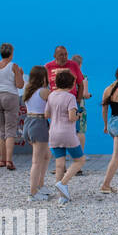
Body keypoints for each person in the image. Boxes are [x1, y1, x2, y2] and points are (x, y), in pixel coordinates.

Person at [47, 70, 86, 203]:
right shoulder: (70, 98)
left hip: (53, 133)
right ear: (71, 85)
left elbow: (47, 114)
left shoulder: (51, 95)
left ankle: (62, 197)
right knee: (80, 160)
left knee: (59, 164)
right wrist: (78, 115)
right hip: (67, 133)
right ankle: (63, 183)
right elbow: (71, 117)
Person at [45, 47, 86, 170]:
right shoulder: (48, 67)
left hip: (71, 101)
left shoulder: (73, 65)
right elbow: (44, 85)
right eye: (61, 55)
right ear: (55, 55)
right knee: (57, 130)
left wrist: (78, 100)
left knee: (75, 130)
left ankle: (76, 163)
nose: (64, 57)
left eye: (66, 54)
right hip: (55, 102)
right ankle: (60, 165)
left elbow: (81, 83)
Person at [0, 43, 24, 170]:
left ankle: (2, 160)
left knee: (2, 129)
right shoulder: (13, 66)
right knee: (10, 129)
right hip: (10, 97)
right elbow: (20, 85)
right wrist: (20, 73)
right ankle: (9, 160)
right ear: (11, 53)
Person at [22, 65, 52, 200]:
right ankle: (33, 192)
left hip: (28, 122)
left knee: (46, 155)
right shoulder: (44, 91)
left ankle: (40, 184)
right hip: (39, 124)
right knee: (37, 161)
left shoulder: (27, 90)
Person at [71, 53, 90, 149]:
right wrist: (89, 95)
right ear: (80, 64)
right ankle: (80, 153)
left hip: (68, 106)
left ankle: (67, 154)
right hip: (80, 106)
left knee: (69, 130)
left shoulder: (67, 76)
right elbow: (85, 94)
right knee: (81, 130)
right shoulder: (83, 77)